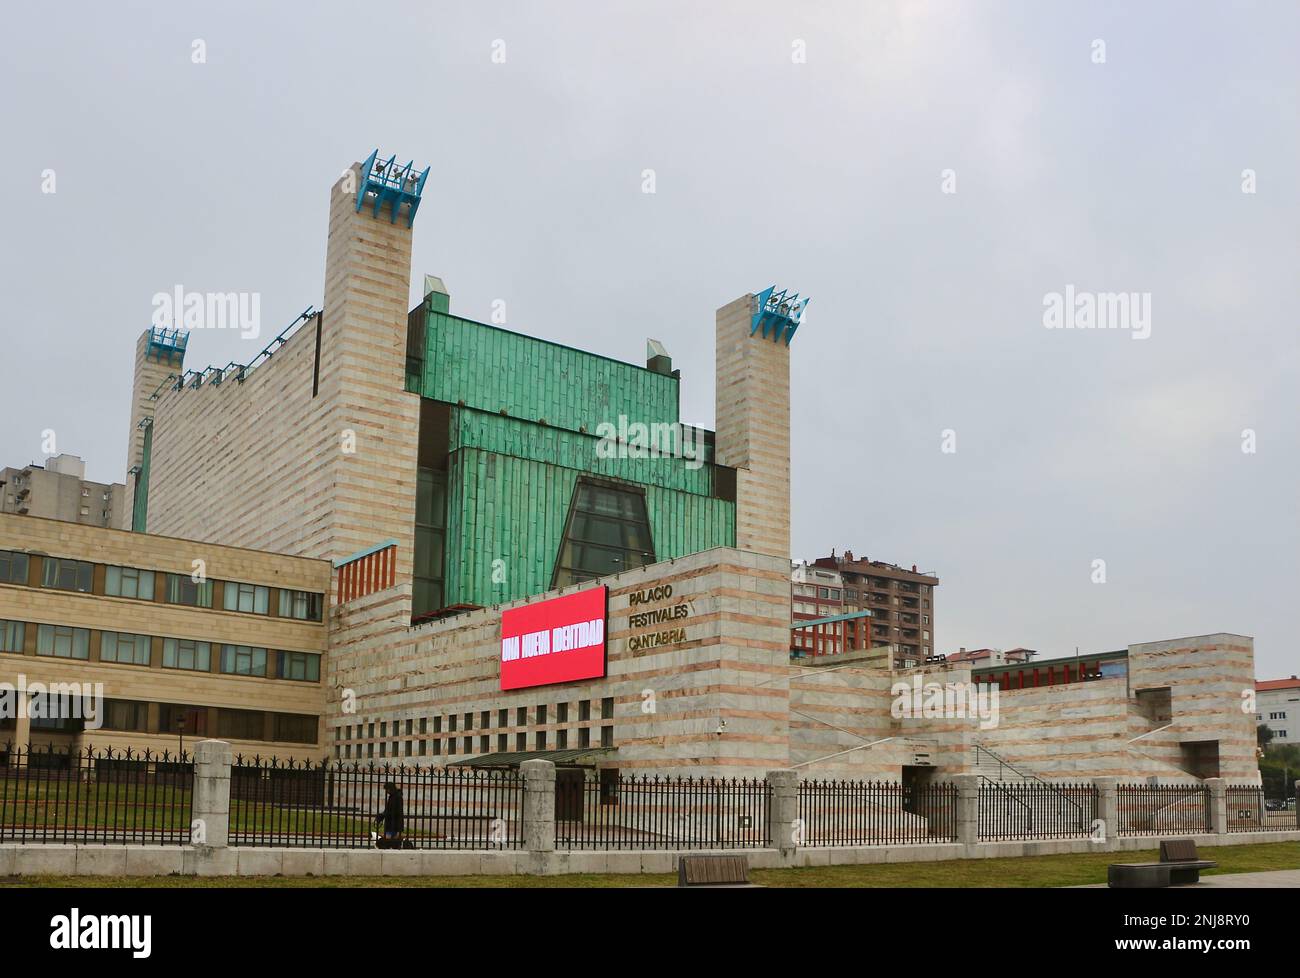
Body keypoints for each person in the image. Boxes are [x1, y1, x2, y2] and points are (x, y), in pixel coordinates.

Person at [374, 781, 404, 849]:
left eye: (387, 789)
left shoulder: (397, 797)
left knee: (390, 843)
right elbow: (389, 810)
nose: (386, 791)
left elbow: (397, 812)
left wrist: (384, 814)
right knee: (391, 843)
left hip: (394, 824)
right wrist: (382, 815)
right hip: (391, 824)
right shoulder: (392, 797)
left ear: (390, 788)